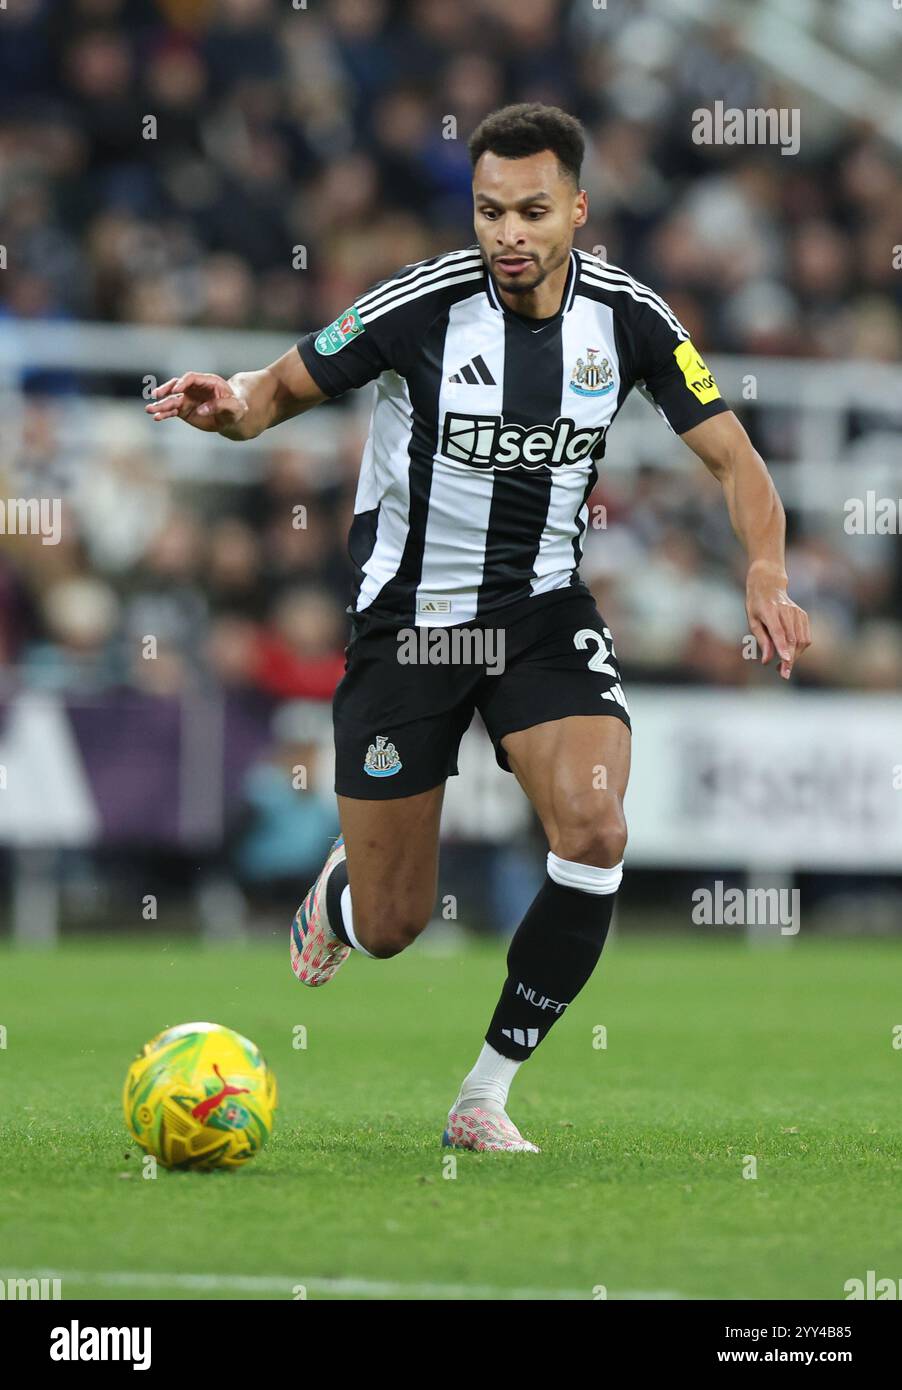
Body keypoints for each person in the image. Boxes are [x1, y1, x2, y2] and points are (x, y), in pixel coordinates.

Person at [146, 103, 811, 1153]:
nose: (506, 231)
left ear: (577, 211)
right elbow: (275, 390)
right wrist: (220, 403)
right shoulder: (422, 305)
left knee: (593, 829)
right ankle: (345, 891)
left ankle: (483, 1092)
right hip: (407, 628)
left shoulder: (631, 318)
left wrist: (765, 570)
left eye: (531, 210)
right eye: (489, 210)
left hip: (538, 615)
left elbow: (734, 459)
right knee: (396, 923)